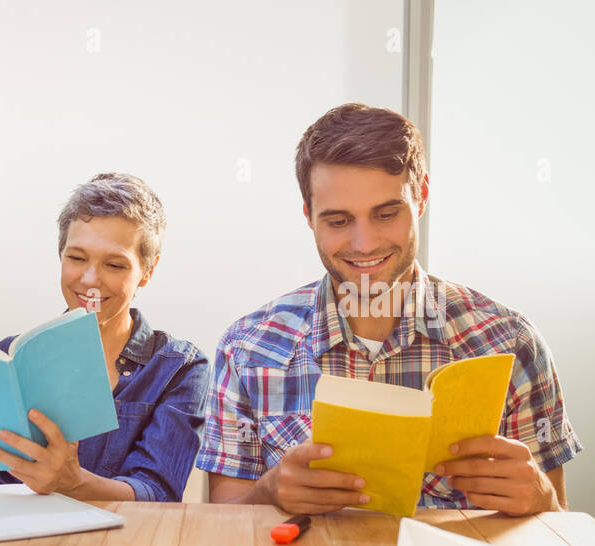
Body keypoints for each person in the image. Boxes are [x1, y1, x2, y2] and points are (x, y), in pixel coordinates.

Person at [198, 103, 581, 515]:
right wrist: (270, 492)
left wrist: (542, 502)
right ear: (309, 216)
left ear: (421, 197)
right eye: (339, 221)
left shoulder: (510, 342)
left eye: (385, 214)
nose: (364, 244)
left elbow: (556, 535)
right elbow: (225, 525)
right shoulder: (247, 348)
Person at [0, 172, 208, 501]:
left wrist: (73, 483)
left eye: (114, 265)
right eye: (76, 258)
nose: (90, 279)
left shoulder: (179, 369)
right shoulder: (6, 360)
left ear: (147, 271)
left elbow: (158, 493)